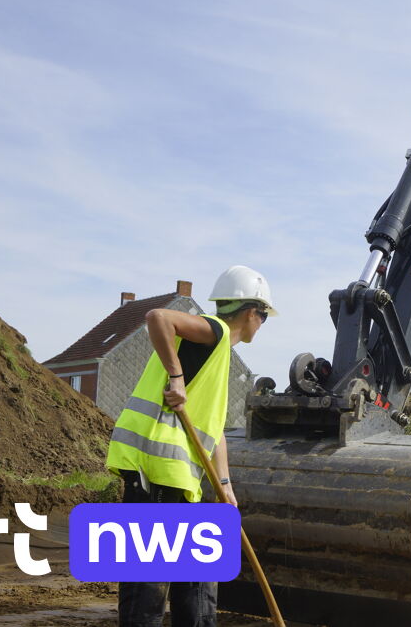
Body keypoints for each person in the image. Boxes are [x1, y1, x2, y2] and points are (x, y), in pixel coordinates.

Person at [105, 265, 275, 627]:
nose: (262, 323)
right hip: (156, 476)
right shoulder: (214, 331)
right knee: (147, 591)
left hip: (187, 485)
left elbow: (212, 430)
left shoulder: (221, 355)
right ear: (250, 312)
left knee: (198, 587)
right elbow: (157, 318)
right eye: (264, 316)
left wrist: (225, 486)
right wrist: (177, 377)